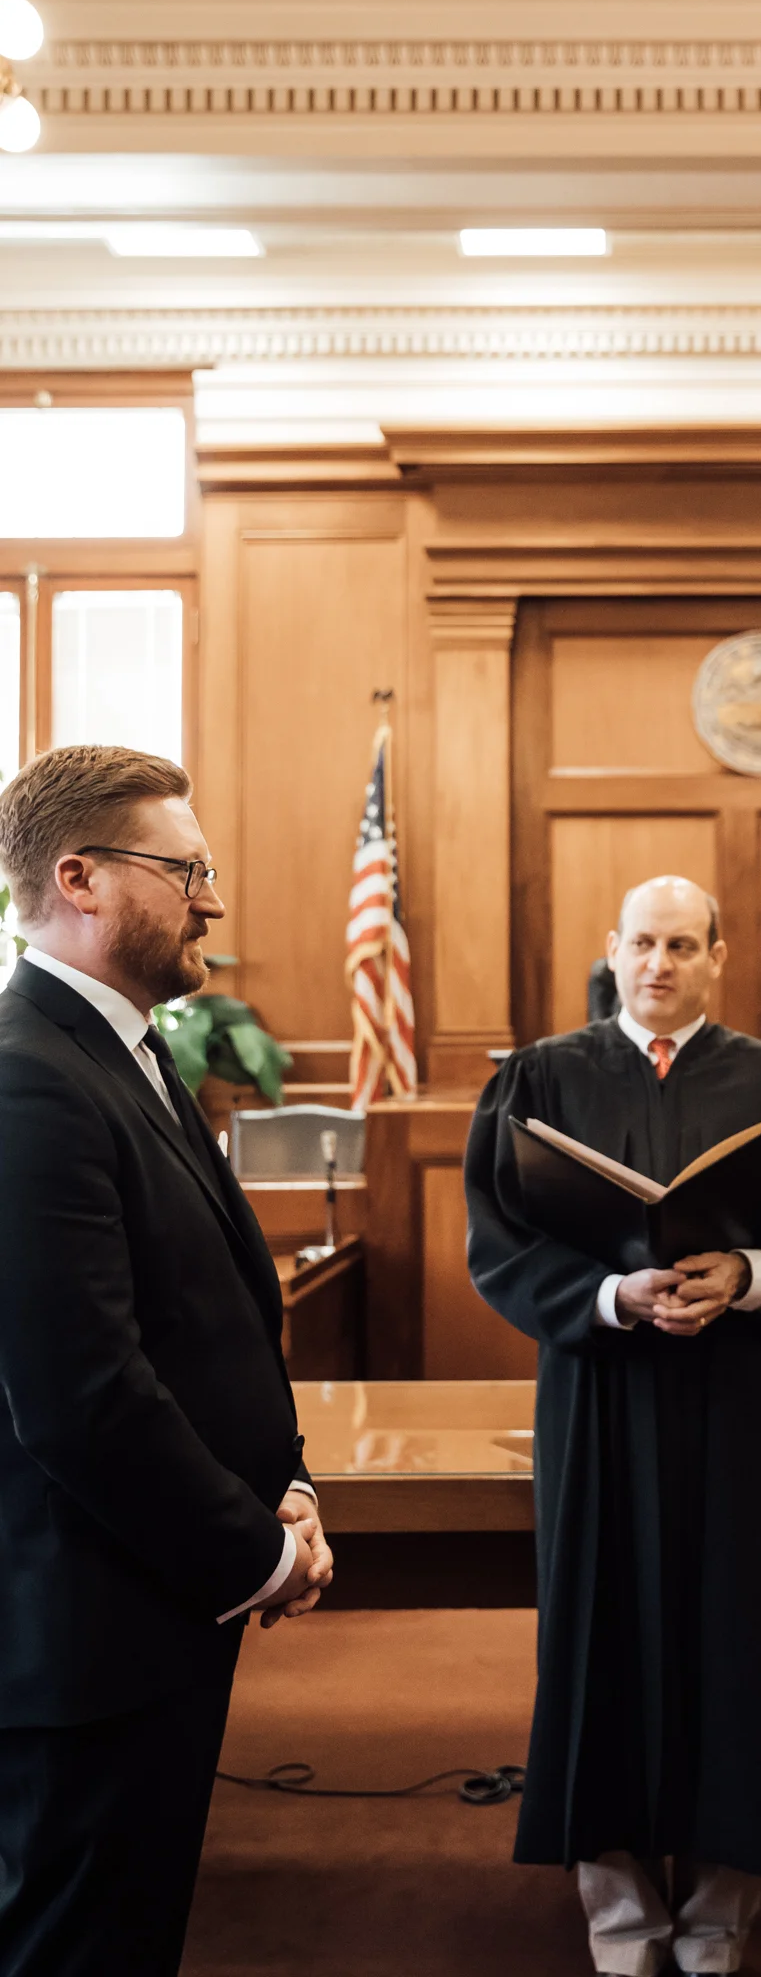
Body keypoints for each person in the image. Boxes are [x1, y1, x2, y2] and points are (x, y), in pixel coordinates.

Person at [465, 874, 761, 1977]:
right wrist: (613, 1295)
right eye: (641, 943)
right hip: (600, 1392)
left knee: (735, 1635)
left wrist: (750, 1272)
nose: (658, 962)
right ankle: (617, 1908)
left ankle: (718, 1904)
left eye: (682, 944)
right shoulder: (540, 1075)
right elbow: (500, 1237)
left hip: (735, 1391)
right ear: (611, 949)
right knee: (597, 1628)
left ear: (718, 956)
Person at [0, 744, 333, 1976]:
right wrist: (255, 1550)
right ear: (79, 878)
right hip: (85, 1635)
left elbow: (209, 1323)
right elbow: (83, 1395)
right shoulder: (27, 1077)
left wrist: (285, 1482)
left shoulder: (123, 1048)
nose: (215, 897)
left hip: (148, 1608)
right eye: (186, 867)